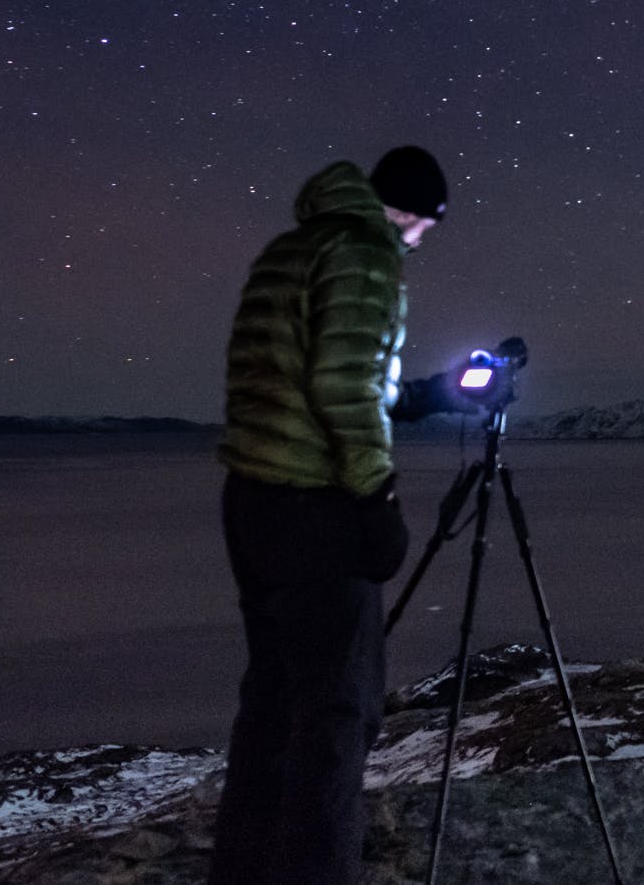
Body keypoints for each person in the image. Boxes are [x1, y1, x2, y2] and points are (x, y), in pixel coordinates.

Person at [210, 146, 447, 885]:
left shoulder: (294, 249)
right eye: (425, 228)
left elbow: (310, 374)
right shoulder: (367, 254)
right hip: (317, 506)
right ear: (408, 214)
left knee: (275, 697)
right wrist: (377, 499)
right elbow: (342, 385)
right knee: (340, 714)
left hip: (253, 498)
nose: (419, 243)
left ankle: (245, 871)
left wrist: (434, 395)